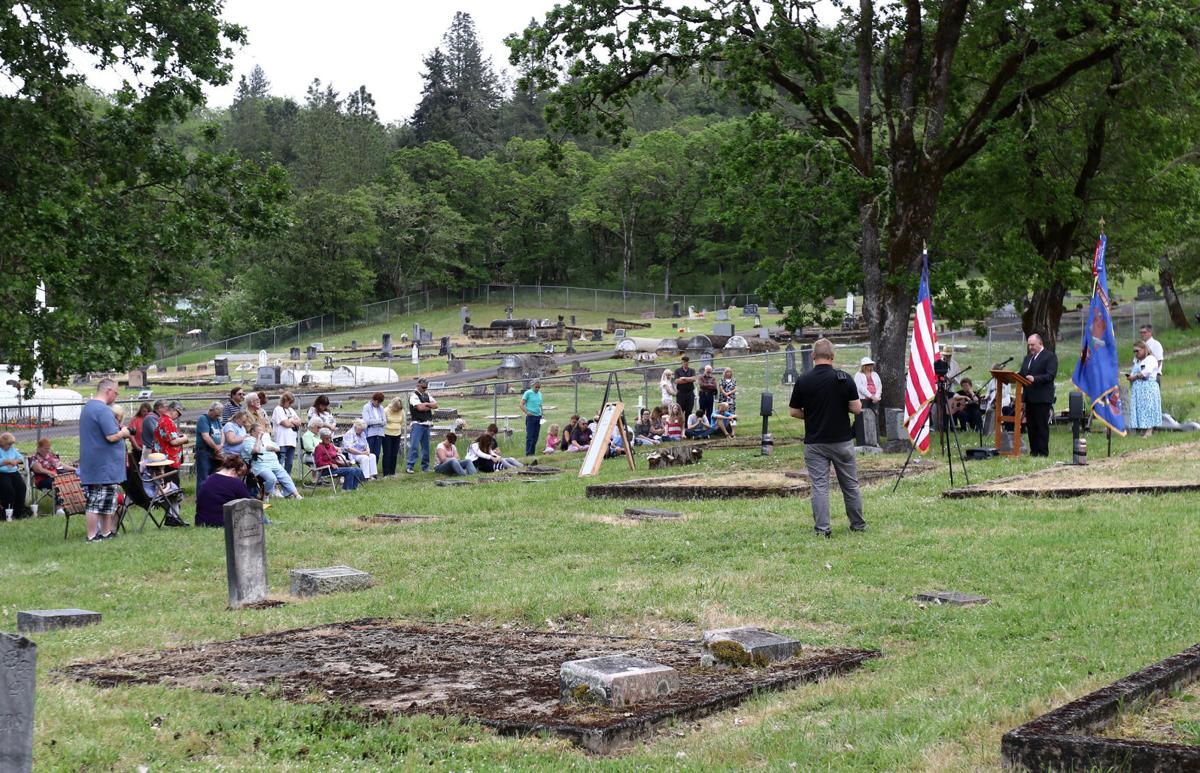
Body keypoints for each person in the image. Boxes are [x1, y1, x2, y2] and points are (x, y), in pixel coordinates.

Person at [788, 338, 866, 537]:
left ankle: (822, 529)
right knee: (850, 485)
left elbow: (793, 411)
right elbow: (857, 408)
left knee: (820, 486)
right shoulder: (844, 378)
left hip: (815, 442)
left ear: (813, 356)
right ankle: (857, 524)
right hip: (842, 440)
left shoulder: (803, 380)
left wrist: (812, 413)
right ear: (832, 357)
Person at [78, 379, 132, 541]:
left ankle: (106, 532)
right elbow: (111, 436)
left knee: (108, 501)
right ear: (108, 390)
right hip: (103, 465)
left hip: (101, 464)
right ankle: (92, 535)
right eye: (116, 393)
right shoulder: (102, 410)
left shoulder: (89, 407)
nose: (116, 396)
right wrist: (125, 432)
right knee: (96, 501)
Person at [1018, 332, 1058, 457]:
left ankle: (1043, 452)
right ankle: (1034, 452)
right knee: (1031, 426)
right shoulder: (1028, 358)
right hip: (1029, 398)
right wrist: (1013, 375)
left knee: (1041, 426)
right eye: (1029, 345)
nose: (1030, 347)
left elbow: (1050, 375)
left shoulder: (1050, 357)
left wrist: (1035, 379)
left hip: (1042, 398)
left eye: (1033, 345)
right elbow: (1022, 373)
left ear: (1040, 343)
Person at [194, 454, 255, 527]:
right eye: (238, 475)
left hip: (201, 522)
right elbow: (249, 503)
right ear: (233, 470)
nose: (238, 477)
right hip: (222, 522)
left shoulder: (208, 479)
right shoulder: (236, 483)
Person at [248, 423, 302, 499]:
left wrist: (273, 449)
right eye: (259, 431)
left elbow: (278, 448)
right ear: (253, 432)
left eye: (262, 431)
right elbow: (256, 450)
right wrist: (258, 438)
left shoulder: (266, 438)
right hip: (261, 465)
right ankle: (265, 495)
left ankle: (297, 495)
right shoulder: (249, 440)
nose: (262, 433)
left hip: (274, 463)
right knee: (272, 478)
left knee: (285, 477)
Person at [1127, 340, 1162, 438]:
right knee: (1140, 409)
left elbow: (1147, 372)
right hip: (1138, 389)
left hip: (1148, 388)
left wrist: (1135, 377)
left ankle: (1149, 430)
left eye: (1137, 351)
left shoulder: (1151, 359)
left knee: (1148, 408)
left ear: (1144, 349)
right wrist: (1130, 376)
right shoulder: (1137, 361)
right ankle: (1142, 429)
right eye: (1134, 351)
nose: (1136, 353)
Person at [30, 437, 73, 515]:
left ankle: (69, 506)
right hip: (42, 480)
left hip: (55, 478)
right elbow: (38, 469)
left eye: (48, 448)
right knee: (59, 482)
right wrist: (50, 472)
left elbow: (61, 465)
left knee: (69, 480)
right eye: (46, 448)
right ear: (39, 448)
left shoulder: (50, 456)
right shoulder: (35, 458)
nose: (48, 450)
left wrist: (74, 469)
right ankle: (59, 508)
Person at [152, 400, 191, 482]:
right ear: (173, 410)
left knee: (167, 484)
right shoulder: (167, 421)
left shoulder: (162, 419)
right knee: (172, 485)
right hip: (168, 460)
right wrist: (185, 439)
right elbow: (173, 442)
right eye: (178, 413)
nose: (178, 416)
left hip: (164, 459)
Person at [406, 378, 437, 473]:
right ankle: (410, 466)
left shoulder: (427, 395)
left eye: (426, 387)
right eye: (423, 387)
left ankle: (425, 467)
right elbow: (419, 408)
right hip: (417, 424)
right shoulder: (413, 395)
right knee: (414, 446)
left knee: (426, 447)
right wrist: (428, 405)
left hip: (426, 424)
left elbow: (436, 405)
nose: (425, 389)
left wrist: (426, 405)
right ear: (418, 385)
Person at [270, 392, 303, 475]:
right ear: (284, 400)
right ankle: (278, 479)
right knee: (280, 462)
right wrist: (292, 422)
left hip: (291, 441)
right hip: (282, 441)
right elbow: (286, 424)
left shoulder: (291, 410)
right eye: (289, 402)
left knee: (290, 463)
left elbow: (299, 422)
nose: (290, 404)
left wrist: (290, 421)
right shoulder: (278, 409)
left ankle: (287, 479)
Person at [195, 402, 224, 490]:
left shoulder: (217, 420)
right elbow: (206, 437)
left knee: (215, 476)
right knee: (203, 477)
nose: (217, 417)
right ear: (210, 410)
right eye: (215, 415)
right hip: (204, 451)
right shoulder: (203, 419)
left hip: (215, 452)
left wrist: (221, 444)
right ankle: (200, 500)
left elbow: (222, 433)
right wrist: (216, 447)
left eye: (218, 415)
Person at [0, 432, 27, 519]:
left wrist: (16, 461)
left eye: (11, 444)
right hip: (2, 473)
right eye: (9, 444)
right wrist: (7, 461)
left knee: (22, 488)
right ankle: (7, 513)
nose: (10, 445)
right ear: (3, 443)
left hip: (13, 472)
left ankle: (18, 512)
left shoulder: (12, 449)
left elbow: (21, 457)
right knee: (9, 491)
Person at [381, 396, 405, 477]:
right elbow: (383, 423)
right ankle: (386, 473)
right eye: (396, 408)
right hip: (387, 434)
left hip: (397, 434)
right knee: (387, 453)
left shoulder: (401, 411)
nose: (397, 410)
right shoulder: (385, 410)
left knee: (394, 454)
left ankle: (392, 472)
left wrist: (398, 428)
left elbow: (402, 422)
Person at [362, 392, 386, 467]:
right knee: (369, 453)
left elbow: (384, 421)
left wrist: (374, 421)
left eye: (380, 402)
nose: (378, 404)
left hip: (379, 433)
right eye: (378, 402)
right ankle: (367, 471)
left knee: (377, 453)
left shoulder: (381, 408)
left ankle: (374, 471)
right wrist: (379, 421)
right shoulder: (366, 407)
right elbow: (367, 421)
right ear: (373, 400)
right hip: (370, 434)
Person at [521, 380, 544, 456]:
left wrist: (542, 414)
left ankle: (532, 453)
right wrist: (527, 412)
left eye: (539, 387)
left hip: (538, 417)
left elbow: (540, 405)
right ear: (532, 386)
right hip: (531, 417)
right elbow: (521, 405)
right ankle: (528, 454)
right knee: (530, 436)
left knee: (535, 436)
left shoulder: (540, 394)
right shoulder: (528, 393)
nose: (537, 389)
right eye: (536, 387)